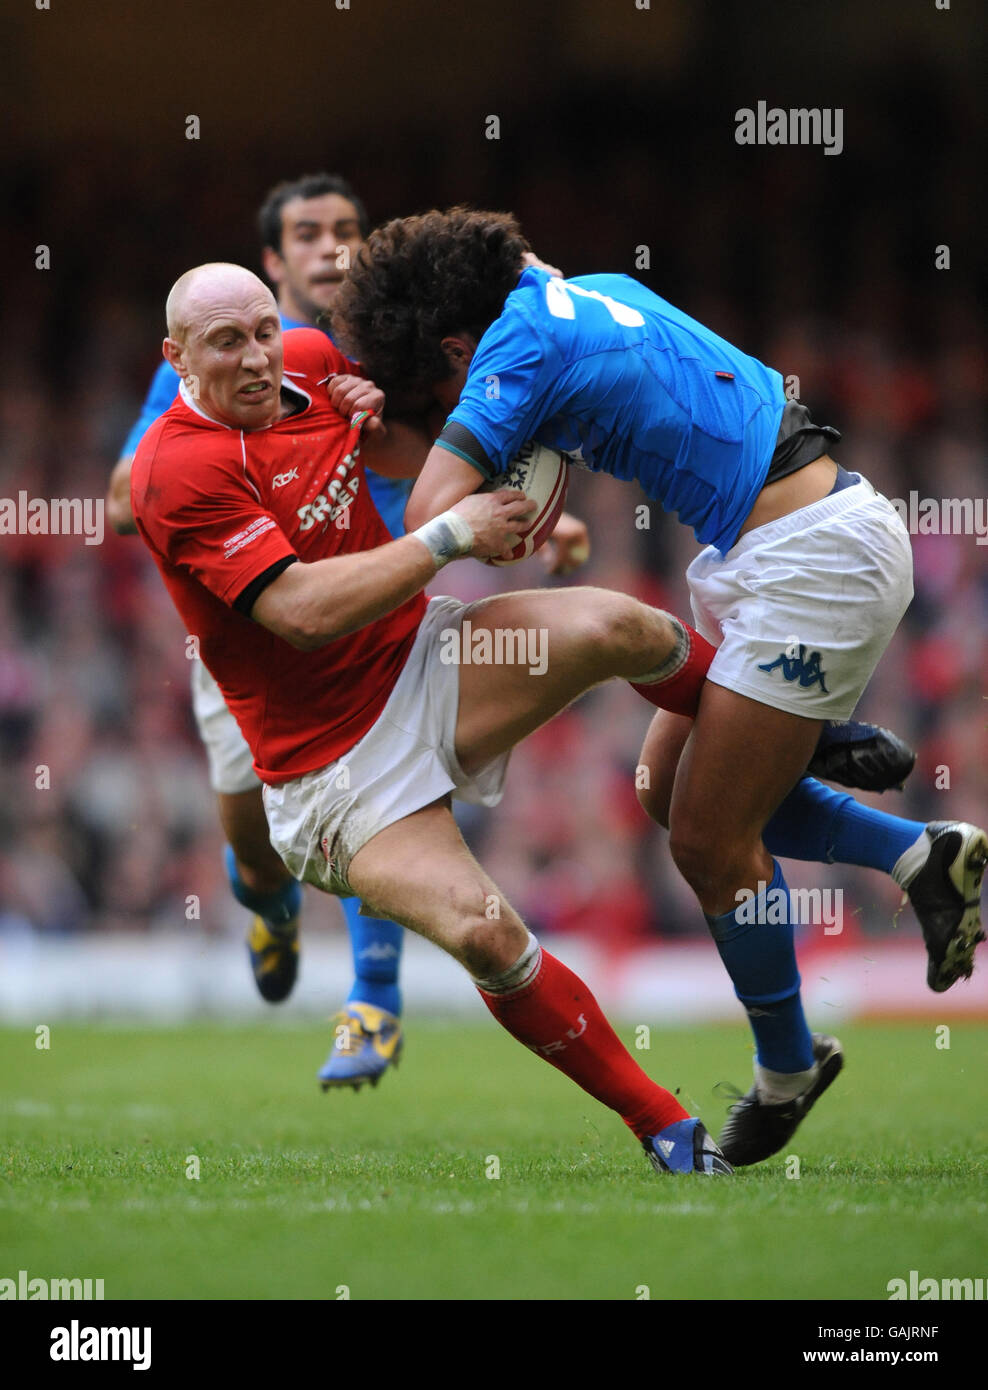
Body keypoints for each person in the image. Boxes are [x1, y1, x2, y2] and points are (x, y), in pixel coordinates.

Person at [329, 207, 988, 1166]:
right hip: (765, 550)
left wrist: (481, 482)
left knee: (711, 840)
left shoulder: (515, 346)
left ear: (459, 345)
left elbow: (431, 516)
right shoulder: (570, 290)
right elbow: (508, 296)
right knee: (662, 791)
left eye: (443, 387)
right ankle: (916, 854)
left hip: (809, 559)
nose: (453, 404)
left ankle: (787, 1070)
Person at [129, 260, 752, 1176]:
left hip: (421, 660)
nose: (259, 356)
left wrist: (422, 407)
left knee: (628, 623)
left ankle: (809, 765)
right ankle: (667, 1128)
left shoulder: (308, 359)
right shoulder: (176, 470)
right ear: (177, 356)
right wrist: (447, 537)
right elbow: (301, 612)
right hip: (332, 772)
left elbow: (436, 410)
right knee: (488, 935)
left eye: (264, 330)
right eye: (228, 342)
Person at [108, 176, 419, 1090]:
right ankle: (269, 907)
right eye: (309, 235)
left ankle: (374, 1002)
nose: (333, 248)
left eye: (349, 231)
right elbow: (126, 498)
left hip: (370, 614)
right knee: (254, 843)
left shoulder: (376, 351)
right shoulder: (221, 361)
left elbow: (452, 444)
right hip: (254, 629)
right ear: (275, 263)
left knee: (387, 799)